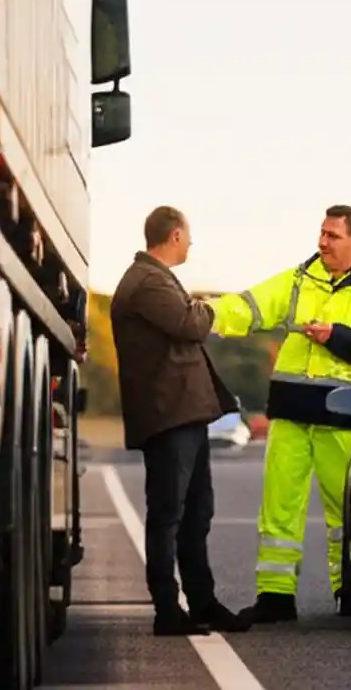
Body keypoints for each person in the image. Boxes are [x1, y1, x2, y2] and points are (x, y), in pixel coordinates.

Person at [208, 204, 351, 622]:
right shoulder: (300, 279)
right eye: (321, 233)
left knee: (344, 512)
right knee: (279, 506)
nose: (323, 242)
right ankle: (276, 598)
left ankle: (348, 590)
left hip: (342, 414)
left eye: (333, 235)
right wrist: (204, 315)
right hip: (292, 410)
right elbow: (251, 305)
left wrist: (337, 337)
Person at [109, 205, 251, 636]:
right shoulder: (148, 281)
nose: (190, 243)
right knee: (169, 513)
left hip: (182, 413)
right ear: (173, 236)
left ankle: (202, 602)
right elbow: (190, 323)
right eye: (188, 236)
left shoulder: (155, 279)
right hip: (168, 414)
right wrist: (210, 308)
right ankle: (168, 610)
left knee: (196, 512)